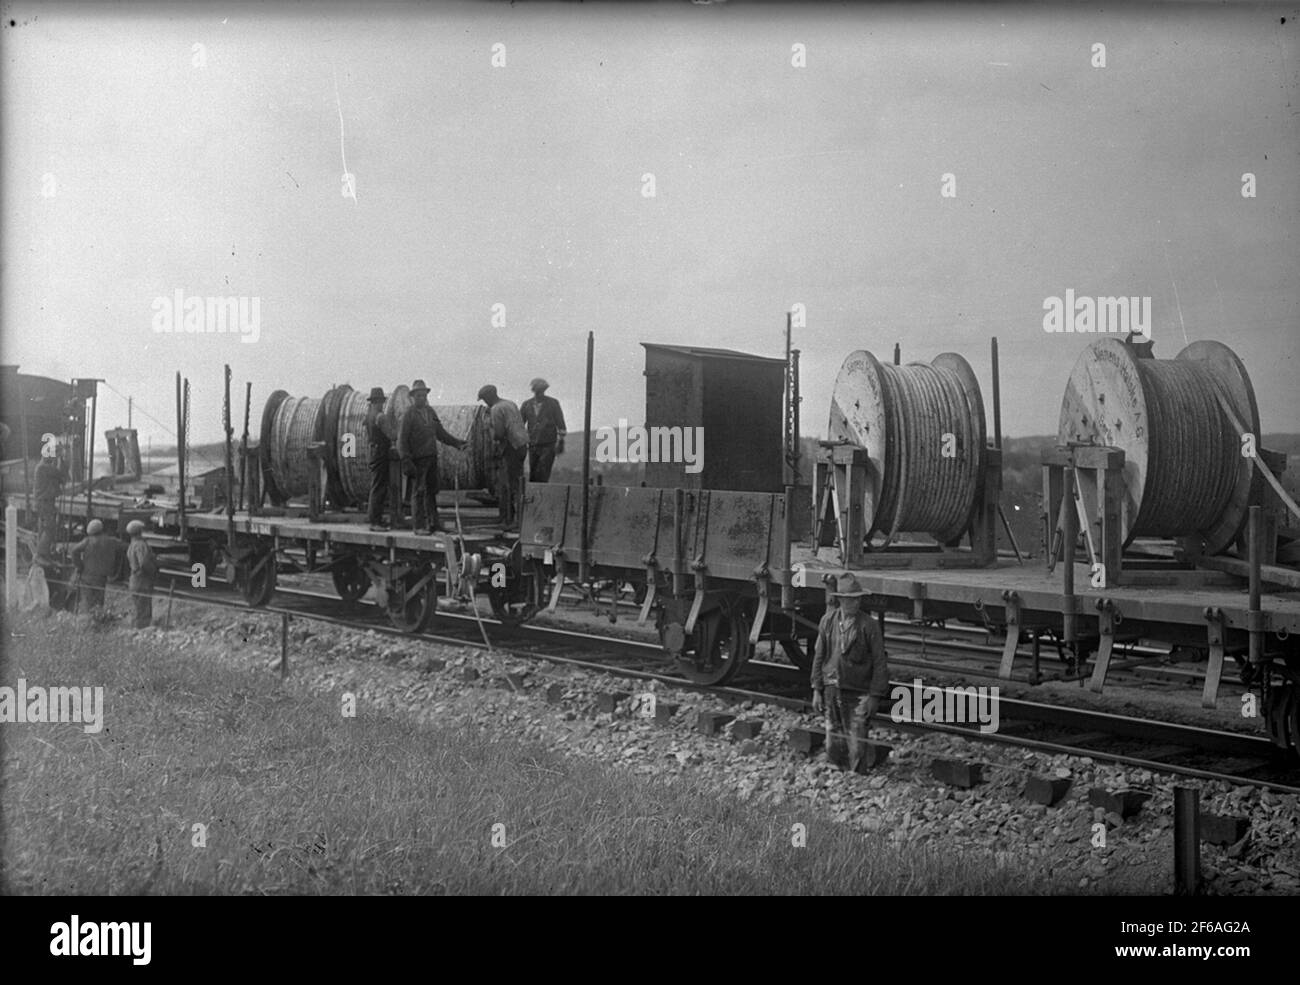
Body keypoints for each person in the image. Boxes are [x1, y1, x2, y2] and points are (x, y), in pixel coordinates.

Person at [810, 573, 890, 772]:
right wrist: (816, 689)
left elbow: (880, 662)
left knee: (856, 742)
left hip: (858, 692)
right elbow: (819, 656)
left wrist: (874, 695)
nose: (854, 603)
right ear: (840, 599)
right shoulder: (827, 621)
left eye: (857, 598)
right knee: (833, 741)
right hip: (832, 689)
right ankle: (840, 773)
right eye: (850, 599)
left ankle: (856, 776)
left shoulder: (869, 626)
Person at [397, 379, 466, 533]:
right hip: (418, 460)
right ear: (413, 397)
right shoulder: (409, 415)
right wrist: (406, 461)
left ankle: (433, 523)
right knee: (418, 492)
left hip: (431, 458)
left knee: (431, 492)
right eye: (418, 396)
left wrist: (457, 443)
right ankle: (419, 526)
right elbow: (401, 440)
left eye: (423, 395)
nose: (421, 398)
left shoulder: (430, 412)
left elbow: (441, 433)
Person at [477, 384, 529, 530]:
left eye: (484, 399)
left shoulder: (496, 409)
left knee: (506, 485)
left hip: (510, 447)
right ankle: (514, 518)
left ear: (489, 397)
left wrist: (489, 427)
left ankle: (509, 520)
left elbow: (499, 435)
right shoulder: (510, 403)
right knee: (516, 483)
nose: (484, 402)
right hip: (521, 445)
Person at [69, 519, 124, 614]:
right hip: (101, 578)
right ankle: (96, 620)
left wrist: (79, 565)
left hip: (87, 576)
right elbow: (123, 546)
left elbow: (74, 551)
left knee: (87, 602)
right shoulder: (110, 541)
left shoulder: (87, 541)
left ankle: (88, 620)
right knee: (98, 603)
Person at [363, 387, 399, 530]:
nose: (381, 404)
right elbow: (392, 435)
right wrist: (401, 429)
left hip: (373, 452)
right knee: (379, 487)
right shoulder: (380, 417)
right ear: (376, 402)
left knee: (377, 485)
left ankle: (376, 518)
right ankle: (374, 522)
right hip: (380, 454)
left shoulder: (369, 415)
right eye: (379, 402)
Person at [520, 378, 567, 483]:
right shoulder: (526, 405)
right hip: (532, 444)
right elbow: (519, 424)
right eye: (537, 390)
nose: (539, 392)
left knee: (543, 473)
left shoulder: (553, 403)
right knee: (533, 473)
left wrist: (560, 440)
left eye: (541, 390)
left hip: (548, 444)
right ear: (533, 390)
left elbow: (560, 423)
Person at [33, 450, 68, 561]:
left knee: (45, 528)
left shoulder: (43, 467)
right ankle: (41, 554)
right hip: (45, 502)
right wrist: (61, 459)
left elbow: (59, 477)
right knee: (50, 528)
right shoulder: (44, 468)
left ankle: (45, 553)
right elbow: (60, 474)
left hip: (45, 502)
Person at [125, 519, 157, 629]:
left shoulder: (132, 545)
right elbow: (144, 562)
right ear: (140, 531)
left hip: (134, 580)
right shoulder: (140, 545)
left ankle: (136, 629)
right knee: (144, 610)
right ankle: (142, 630)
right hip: (142, 580)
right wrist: (153, 570)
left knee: (138, 609)